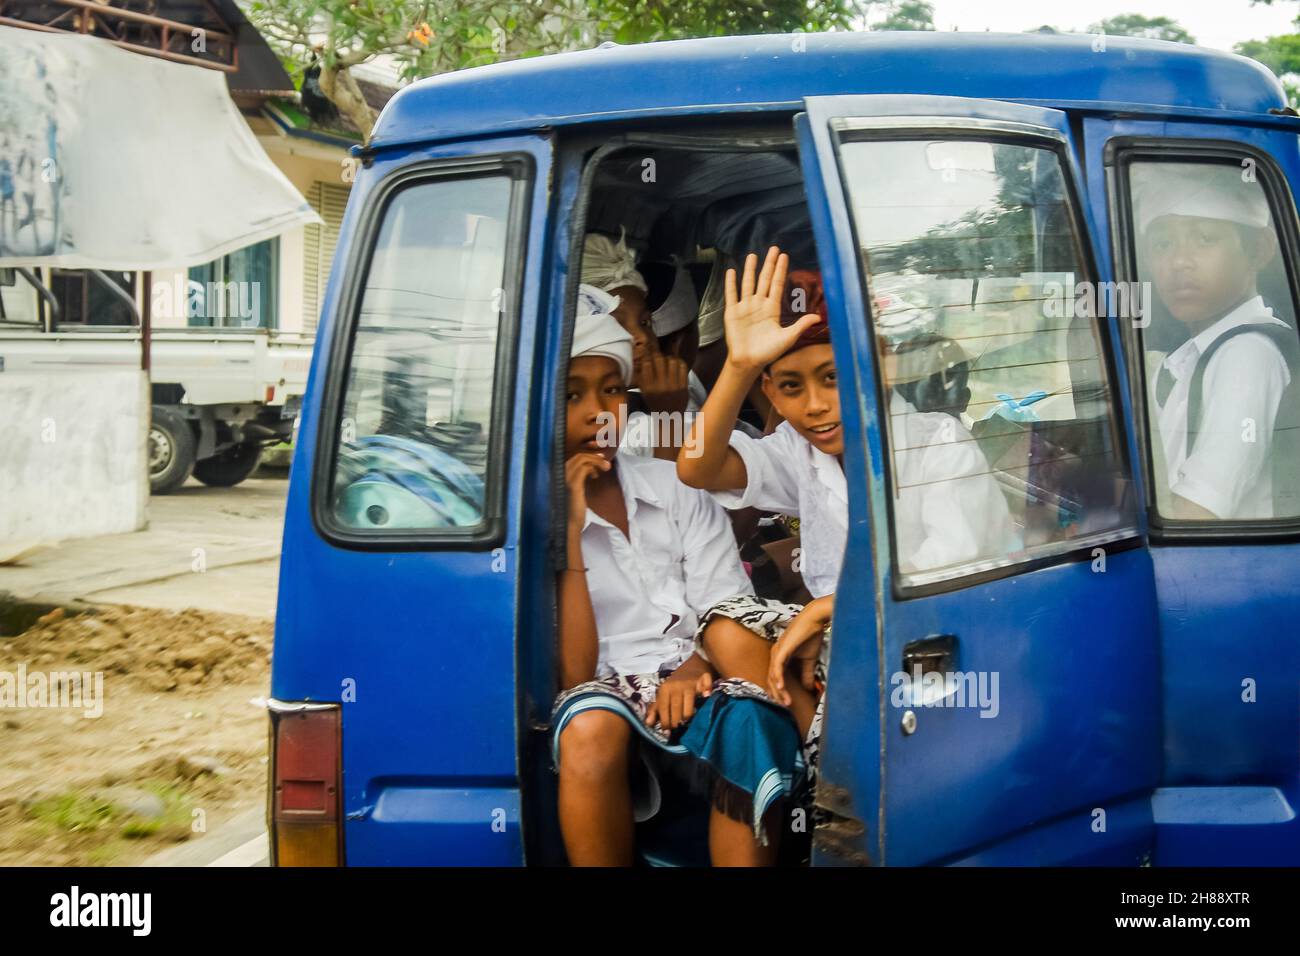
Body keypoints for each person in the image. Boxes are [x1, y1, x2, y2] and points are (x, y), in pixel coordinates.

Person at [551, 283, 798, 866]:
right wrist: (570, 535)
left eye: (612, 391)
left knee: (750, 718)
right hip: (604, 685)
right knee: (589, 727)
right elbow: (575, 671)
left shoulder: (673, 486)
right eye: (572, 395)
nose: (598, 412)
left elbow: (728, 608)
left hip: (698, 667)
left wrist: (695, 663)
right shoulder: (535, 515)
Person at [1136, 163, 1300, 519]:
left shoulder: (1248, 353)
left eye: (1205, 238)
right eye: (1162, 244)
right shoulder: (1187, 357)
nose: (1179, 262)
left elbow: (1200, 511)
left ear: (1258, 250)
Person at [580, 232, 694, 460]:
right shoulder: (609, 432)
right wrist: (668, 416)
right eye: (617, 324)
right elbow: (677, 493)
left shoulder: (666, 402)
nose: (642, 337)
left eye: (645, 322)